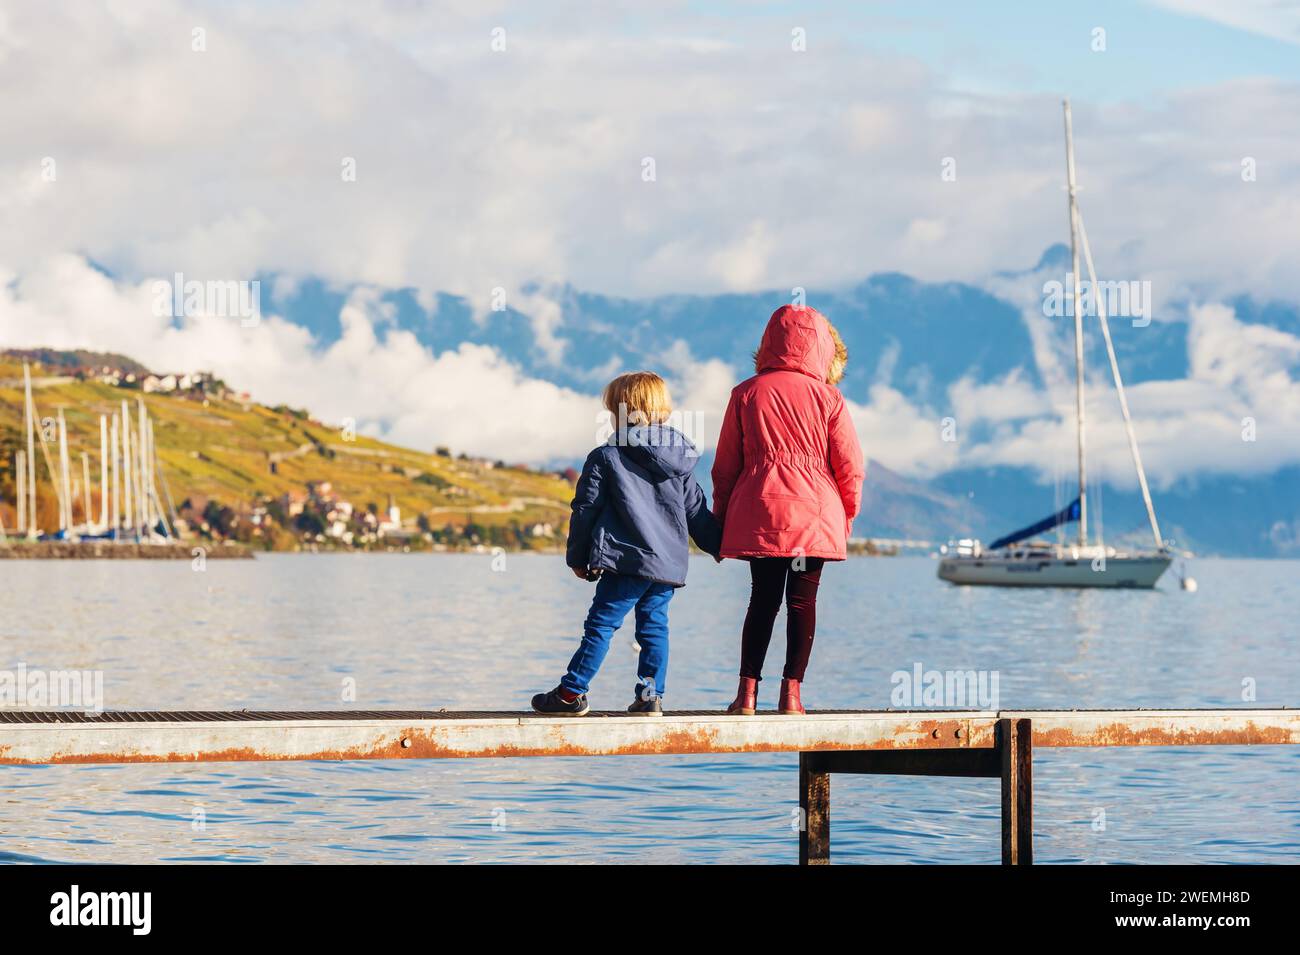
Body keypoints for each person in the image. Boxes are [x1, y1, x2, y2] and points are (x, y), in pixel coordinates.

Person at [532, 372, 721, 716]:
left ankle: (571, 693)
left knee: (601, 625)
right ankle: (650, 697)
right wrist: (719, 545)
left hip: (626, 561)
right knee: (653, 628)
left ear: (619, 411)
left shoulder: (606, 456)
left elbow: (585, 510)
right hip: (666, 565)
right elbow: (696, 510)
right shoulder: (680, 458)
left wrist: (577, 556)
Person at [712, 305, 865, 715]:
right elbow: (849, 466)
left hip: (761, 511)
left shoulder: (745, 393)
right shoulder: (829, 398)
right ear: (822, 348)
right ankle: (792, 696)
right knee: (803, 603)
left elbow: (725, 467)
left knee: (762, 600)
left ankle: (746, 694)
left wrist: (721, 518)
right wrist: (846, 517)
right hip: (815, 516)